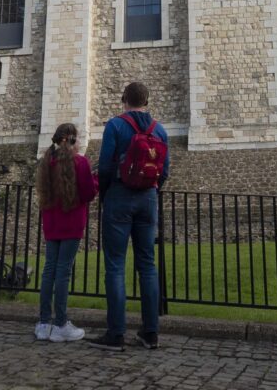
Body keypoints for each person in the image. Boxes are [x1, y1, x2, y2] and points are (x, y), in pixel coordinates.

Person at [89, 82, 170, 352]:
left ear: (124, 100)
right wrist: (152, 190)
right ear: (147, 101)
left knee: (115, 265)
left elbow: (106, 165)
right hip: (148, 198)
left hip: (119, 197)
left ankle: (115, 334)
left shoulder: (115, 125)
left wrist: (107, 194)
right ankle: (150, 333)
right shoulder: (159, 129)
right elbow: (165, 170)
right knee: (147, 265)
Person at [34, 123, 97, 343]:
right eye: (77, 138)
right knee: (63, 272)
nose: (79, 142)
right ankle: (60, 324)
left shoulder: (46, 163)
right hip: (71, 223)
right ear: (70, 140)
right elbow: (88, 193)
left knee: (49, 270)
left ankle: (43, 323)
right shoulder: (80, 162)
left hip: (51, 223)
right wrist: (95, 179)